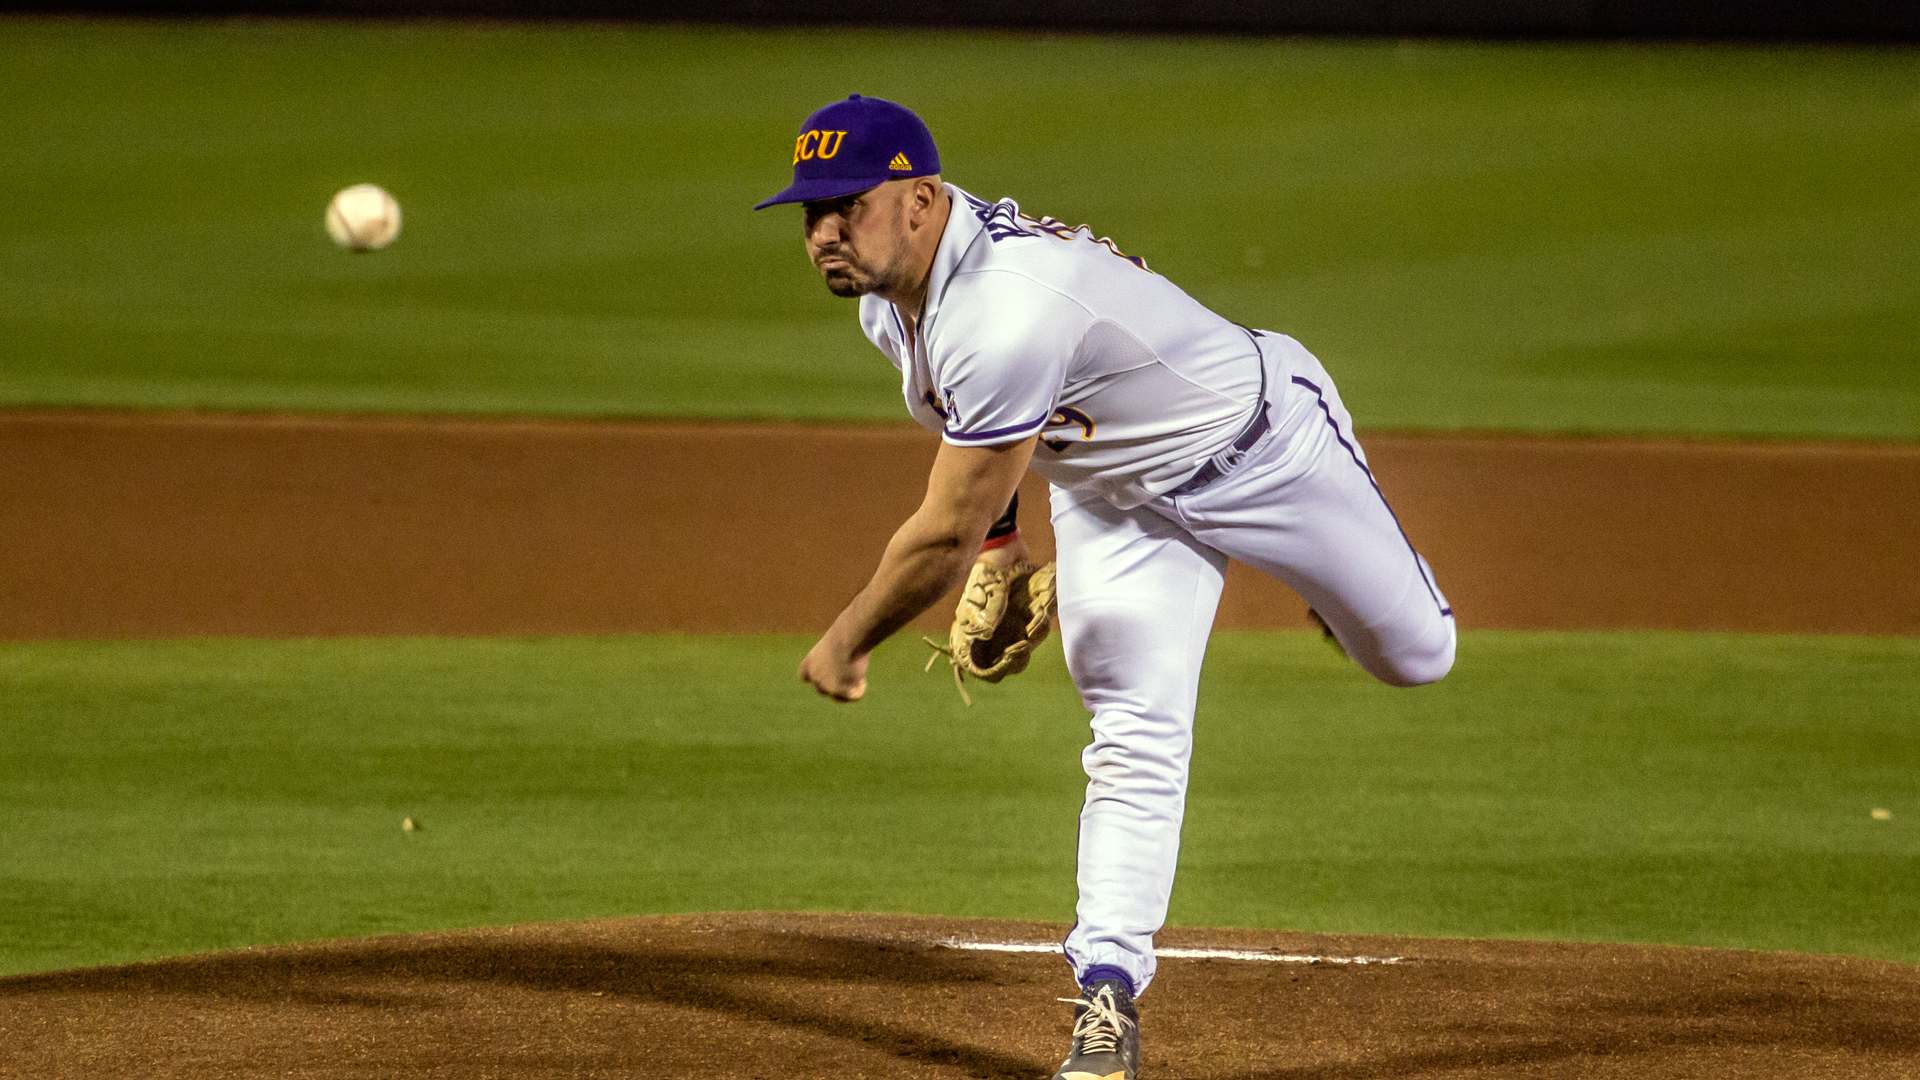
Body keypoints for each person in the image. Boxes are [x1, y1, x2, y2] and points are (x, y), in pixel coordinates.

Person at [759, 94, 1455, 1080]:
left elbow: (941, 530)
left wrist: (848, 640)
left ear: (920, 199)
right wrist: (1007, 550)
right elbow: (975, 451)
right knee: (1129, 716)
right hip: (1112, 498)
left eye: (847, 206)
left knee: (1417, 656)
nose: (824, 232)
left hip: (1266, 452)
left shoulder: (1005, 306)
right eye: (809, 213)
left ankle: (1347, 589)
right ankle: (1107, 995)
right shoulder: (892, 300)